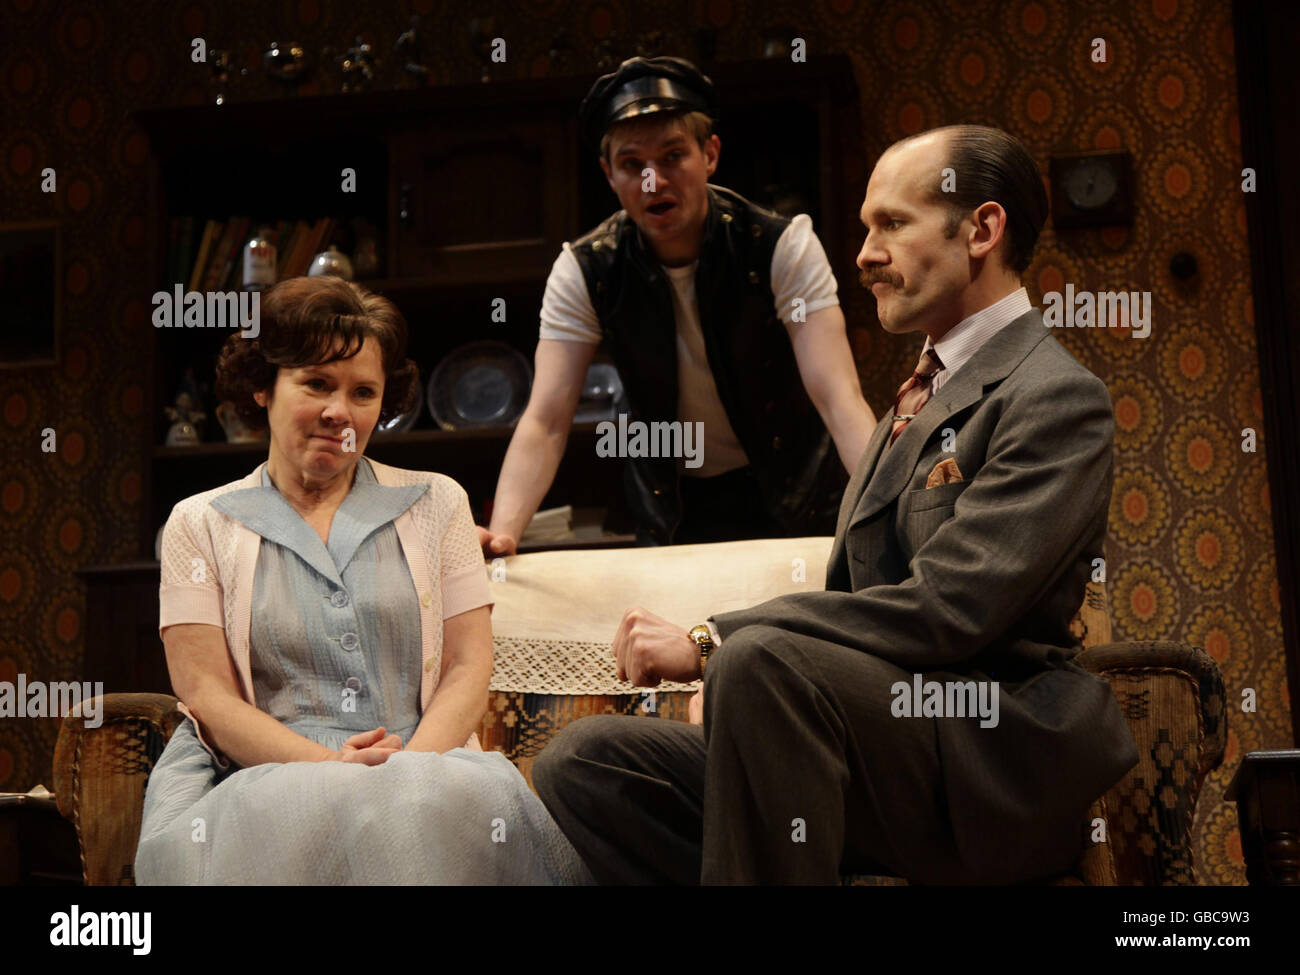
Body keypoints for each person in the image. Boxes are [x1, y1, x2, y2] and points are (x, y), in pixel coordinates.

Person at [533, 124, 1140, 885]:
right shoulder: (916, 396)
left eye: (892, 222)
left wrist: (714, 643)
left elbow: (948, 609)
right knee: (589, 763)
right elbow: (852, 606)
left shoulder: (1055, 397)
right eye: (864, 228)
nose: (863, 254)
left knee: (758, 663)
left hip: (985, 759)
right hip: (873, 750)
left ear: (982, 228)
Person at [135, 276, 590, 884]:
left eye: (363, 392)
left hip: (428, 769)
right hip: (268, 778)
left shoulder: (437, 503)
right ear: (264, 387)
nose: (339, 412)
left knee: (428, 814)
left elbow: (467, 667)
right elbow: (208, 696)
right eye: (316, 383)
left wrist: (409, 777)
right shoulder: (200, 522)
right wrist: (331, 769)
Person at [478, 56, 875, 553]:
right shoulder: (586, 269)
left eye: (672, 156)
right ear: (608, 173)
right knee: (683, 632)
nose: (653, 182)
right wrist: (505, 533)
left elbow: (838, 397)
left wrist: (888, 510)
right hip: (675, 503)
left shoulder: (780, 245)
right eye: (632, 165)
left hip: (793, 493)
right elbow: (547, 418)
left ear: (709, 154)